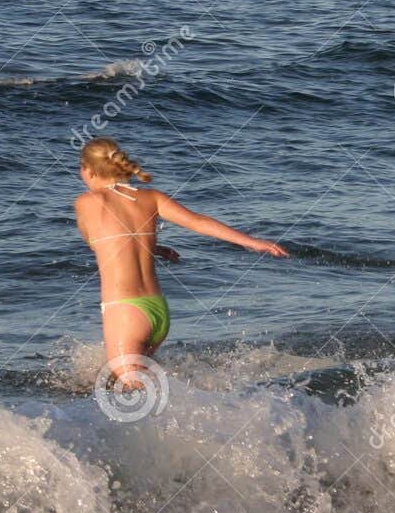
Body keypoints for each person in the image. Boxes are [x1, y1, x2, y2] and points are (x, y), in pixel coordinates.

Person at [74, 138, 286, 386]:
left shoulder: (86, 202)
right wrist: (252, 242)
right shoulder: (151, 197)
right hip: (157, 311)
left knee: (136, 393)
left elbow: (97, 243)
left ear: (89, 170)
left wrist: (145, 247)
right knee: (140, 387)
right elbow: (198, 222)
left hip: (125, 312)